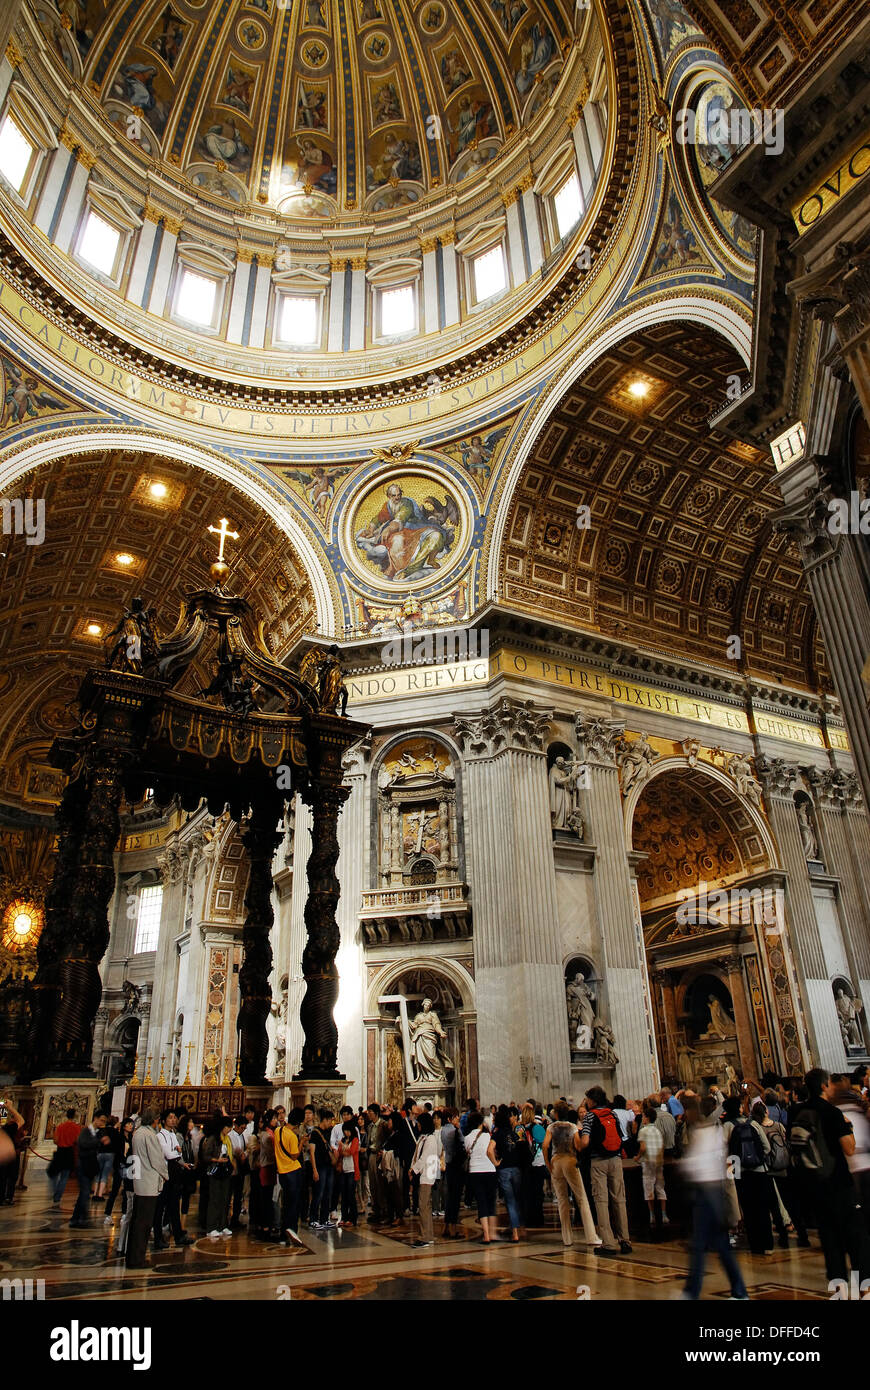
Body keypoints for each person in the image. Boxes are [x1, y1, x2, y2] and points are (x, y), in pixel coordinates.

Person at [793, 1068, 870, 1281]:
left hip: (815, 1185)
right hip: (839, 1183)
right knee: (857, 1240)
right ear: (825, 1086)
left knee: (830, 1243)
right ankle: (863, 1287)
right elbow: (849, 1148)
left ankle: (838, 1288)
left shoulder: (797, 1111)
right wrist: (849, 1126)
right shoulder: (832, 1113)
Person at [681, 1095, 749, 1300]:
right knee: (719, 1246)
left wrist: (686, 1169)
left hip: (707, 1192)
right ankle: (739, 1291)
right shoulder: (708, 1130)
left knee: (700, 1246)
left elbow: (700, 1165)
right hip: (709, 1191)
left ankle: (691, 1293)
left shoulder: (705, 1132)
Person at [580, 1087, 632, 1256]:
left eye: (587, 1099)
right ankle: (625, 1241)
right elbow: (621, 1136)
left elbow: (585, 1141)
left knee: (601, 1201)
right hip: (615, 1159)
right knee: (619, 1199)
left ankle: (608, 1243)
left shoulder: (589, 1116)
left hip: (598, 1161)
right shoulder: (613, 1114)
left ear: (592, 1101)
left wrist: (578, 1145)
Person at [542, 1102, 599, 1248]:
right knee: (581, 1198)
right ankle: (591, 1236)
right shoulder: (572, 1127)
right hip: (569, 1159)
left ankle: (567, 1238)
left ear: (555, 1114)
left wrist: (548, 1163)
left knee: (562, 1200)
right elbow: (579, 1146)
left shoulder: (551, 1127)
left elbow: (545, 1145)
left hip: (556, 1161)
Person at [728, 1098, 773, 1254]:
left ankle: (755, 1245)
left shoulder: (727, 1126)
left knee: (749, 1210)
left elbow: (728, 1154)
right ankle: (768, 1245)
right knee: (762, 1208)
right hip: (760, 1171)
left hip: (742, 1174)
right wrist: (757, 1159)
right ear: (740, 1109)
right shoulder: (753, 1124)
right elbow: (766, 1147)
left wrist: (734, 1171)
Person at [126, 1109, 169, 1269]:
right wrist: (165, 1175)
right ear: (155, 1120)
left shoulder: (138, 1133)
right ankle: (137, 1259)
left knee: (138, 1221)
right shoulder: (149, 1135)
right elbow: (157, 1159)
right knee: (144, 1223)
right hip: (149, 1181)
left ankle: (132, 1256)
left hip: (140, 1180)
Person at [154, 1109, 191, 1248]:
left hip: (174, 1172)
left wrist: (182, 1162)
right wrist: (176, 1152)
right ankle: (158, 1237)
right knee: (160, 1207)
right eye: (170, 1118)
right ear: (163, 1121)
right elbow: (169, 1154)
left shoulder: (173, 1134)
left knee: (174, 1206)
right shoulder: (160, 1135)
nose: (173, 1120)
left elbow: (177, 1153)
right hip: (165, 1173)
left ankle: (179, 1235)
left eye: (175, 1117)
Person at [491, 1104, 526, 1242]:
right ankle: (518, 1226)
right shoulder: (512, 1133)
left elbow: (489, 1149)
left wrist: (495, 1162)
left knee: (510, 1201)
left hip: (504, 1169)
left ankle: (515, 1233)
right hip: (516, 1168)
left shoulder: (497, 1134)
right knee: (517, 1199)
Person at [464, 1110, 498, 1244]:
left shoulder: (467, 1138)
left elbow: (468, 1152)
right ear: (481, 1123)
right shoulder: (488, 1136)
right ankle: (493, 1232)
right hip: (490, 1169)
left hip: (475, 1171)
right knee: (491, 1201)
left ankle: (486, 1235)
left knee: (481, 1202)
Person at [274, 1106, 305, 1246]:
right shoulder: (292, 1136)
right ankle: (291, 1230)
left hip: (282, 1172)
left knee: (285, 1203)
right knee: (294, 1203)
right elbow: (294, 1156)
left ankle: (283, 1235)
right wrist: (302, 1143)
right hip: (293, 1171)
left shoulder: (278, 1130)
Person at [201, 1113, 234, 1239]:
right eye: (227, 1127)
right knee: (214, 1199)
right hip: (215, 1171)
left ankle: (222, 1225)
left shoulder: (227, 1139)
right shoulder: (213, 1139)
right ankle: (211, 1227)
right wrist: (217, 1160)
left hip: (225, 1172)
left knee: (225, 1199)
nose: (229, 1129)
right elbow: (206, 1156)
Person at [71, 1113, 106, 1228]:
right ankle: (82, 1219)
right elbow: (83, 1144)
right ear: (95, 1119)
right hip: (83, 1166)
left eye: (104, 1121)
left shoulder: (96, 1133)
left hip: (90, 1166)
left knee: (84, 1193)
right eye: (101, 1120)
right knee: (85, 1193)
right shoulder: (86, 1131)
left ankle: (76, 1218)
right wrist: (99, 1141)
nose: (102, 1123)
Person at [410, 1111, 439, 1247]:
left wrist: (414, 1170)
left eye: (419, 1123)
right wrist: (412, 1168)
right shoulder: (423, 1138)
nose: (418, 1125)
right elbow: (416, 1155)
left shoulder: (431, 1139)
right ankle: (428, 1235)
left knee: (423, 1206)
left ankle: (424, 1237)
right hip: (423, 1174)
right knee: (425, 1206)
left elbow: (424, 1157)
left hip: (427, 1174)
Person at [637, 1100, 668, 1227]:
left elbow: (643, 1147)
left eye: (643, 1116)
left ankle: (652, 1215)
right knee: (660, 1188)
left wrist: (637, 1157)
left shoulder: (643, 1131)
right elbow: (662, 1146)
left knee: (649, 1189)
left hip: (648, 1162)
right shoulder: (657, 1131)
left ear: (647, 1118)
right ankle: (664, 1214)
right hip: (658, 1161)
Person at [518, 1103, 547, 1226]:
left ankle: (528, 1218)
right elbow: (545, 1144)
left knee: (527, 1193)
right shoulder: (538, 1128)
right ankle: (539, 1218)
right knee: (538, 1192)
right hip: (539, 1163)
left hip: (525, 1164)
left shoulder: (519, 1129)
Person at [308, 1109, 337, 1229]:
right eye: (330, 1121)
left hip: (328, 1165)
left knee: (327, 1193)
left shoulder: (327, 1132)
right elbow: (312, 1152)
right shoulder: (315, 1133)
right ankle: (313, 1219)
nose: (331, 1123)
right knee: (318, 1193)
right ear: (325, 1120)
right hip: (319, 1166)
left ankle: (324, 1219)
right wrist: (314, 1169)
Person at [440, 1106, 464, 1238]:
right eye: (455, 1117)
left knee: (449, 1198)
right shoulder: (455, 1131)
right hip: (456, 1166)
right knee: (455, 1199)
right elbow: (464, 1146)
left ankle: (445, 1227)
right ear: (450, 1119)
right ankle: (453, 1229)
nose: (458, 1119)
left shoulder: (442, 1131)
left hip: (448, 1165)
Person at [47, 1107, 80, 1206]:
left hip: (60, 1151)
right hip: (69, 1152)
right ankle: (58, 1196)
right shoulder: (76, 1127)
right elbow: (77, 1141)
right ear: (74, 1116)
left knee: (53, 1174)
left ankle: (54, 1191)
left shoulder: (60, 1126)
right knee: (64, 1177)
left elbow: (55, 1140)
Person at [0, 1099, 25, 1204]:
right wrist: (10, 1108)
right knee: (10, 1177)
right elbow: (21, 1121)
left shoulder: (7, 1128)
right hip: (9, 1156)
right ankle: (7, 1197)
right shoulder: (7, 1128)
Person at [337, 1118, 360, 1228]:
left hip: (352, 1169)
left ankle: (352, 1218)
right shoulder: (343, 1139)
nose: (346, 1132)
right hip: (344, 1169)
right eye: (344, 1130)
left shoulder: (355, 1139)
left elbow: (352, 1151)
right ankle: (344, 1217)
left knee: (351, 1194)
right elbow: (341, 1152)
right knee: (344, 1195)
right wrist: (344, 1148)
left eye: (347, 1130)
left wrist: (344, 1147)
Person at [365, 1103, 386, 1223]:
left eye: (370, 1112)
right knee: (372, 1183)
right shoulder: (370, 1126)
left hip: (379, 1155)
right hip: (371, 1154)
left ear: (376, 1113)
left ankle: (383, 1209)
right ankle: (375, 1208)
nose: (369, 1114)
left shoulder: (382, 1125)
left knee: (380, 1183)